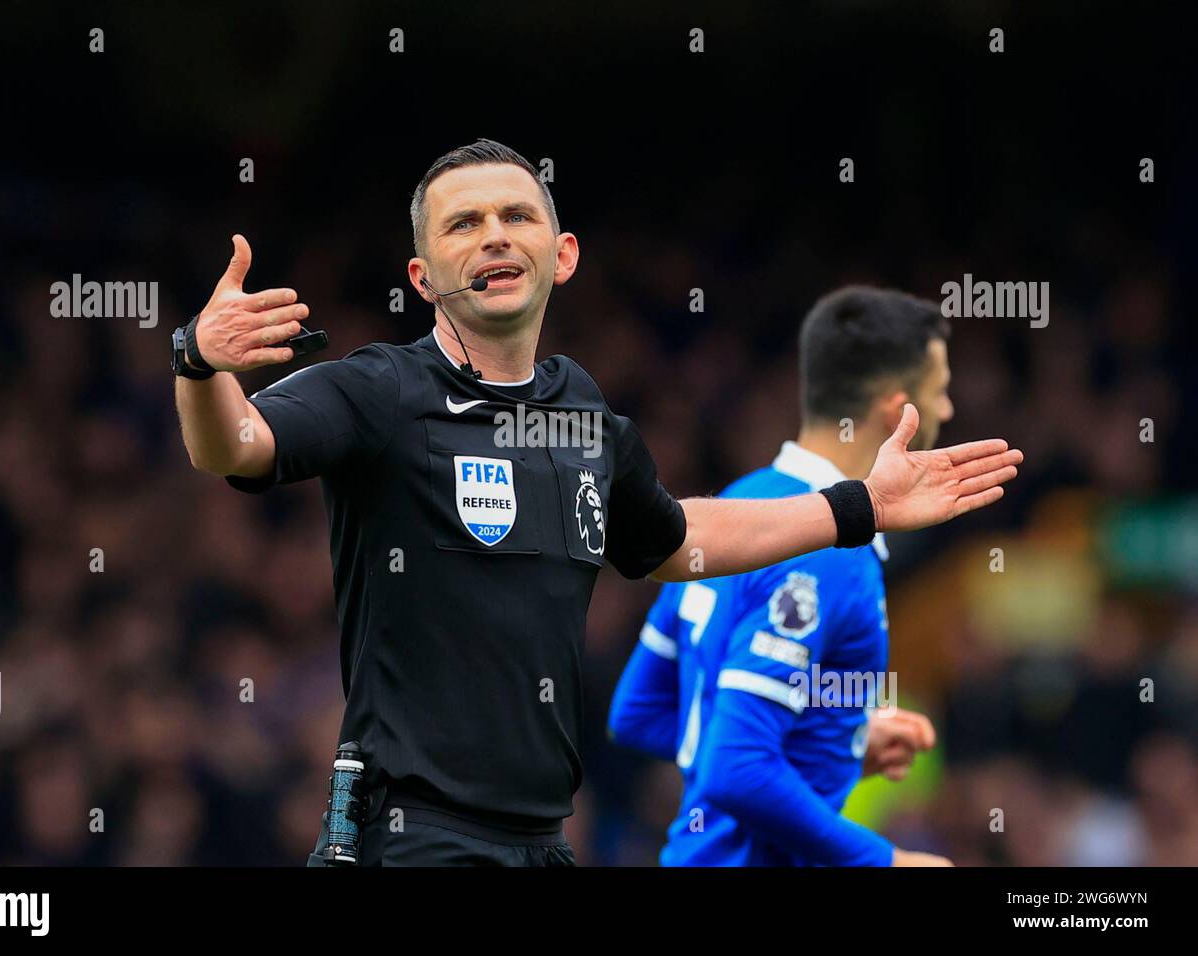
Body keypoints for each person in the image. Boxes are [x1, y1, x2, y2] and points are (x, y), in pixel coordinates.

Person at [171, 140, 1021, 866]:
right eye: (464, 225)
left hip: (541, 838)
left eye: (516, 216)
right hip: (413, 835)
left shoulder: (582, 412)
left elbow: (679, 540)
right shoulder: (380, 391)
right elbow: (234, 448)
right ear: (423, 277)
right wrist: (199, 364)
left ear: (562, 253)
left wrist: (858, 505)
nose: (494, 236)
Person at [609, 286, 964, 866]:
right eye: (941, 391)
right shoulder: (830, 551)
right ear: (898, 409)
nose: (948, 410)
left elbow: (640, 712)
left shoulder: (737, 511)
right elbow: (737, 767)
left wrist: (835, 744)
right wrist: (887, 862)